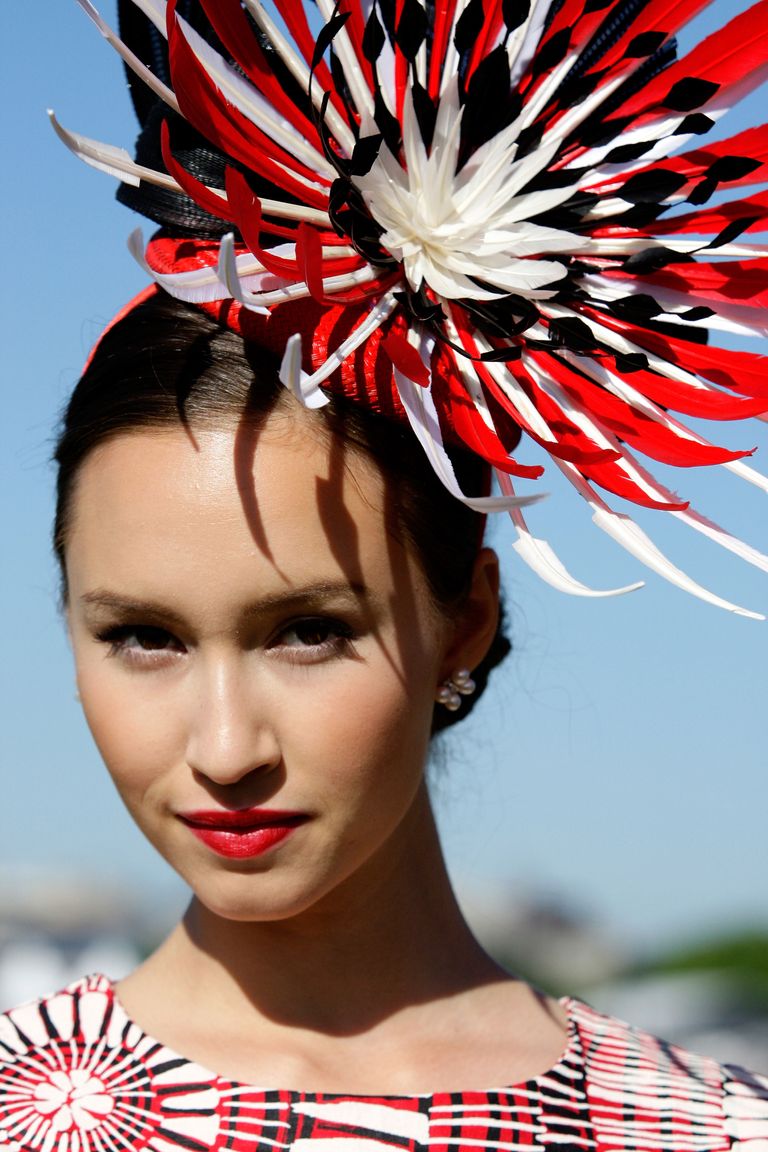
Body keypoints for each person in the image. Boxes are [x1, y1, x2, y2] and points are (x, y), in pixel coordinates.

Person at [2, 0, 768, 1145]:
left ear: (465, 619)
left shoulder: (710, 1130)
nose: (226, 751)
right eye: (143, 637)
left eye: (307, 631)